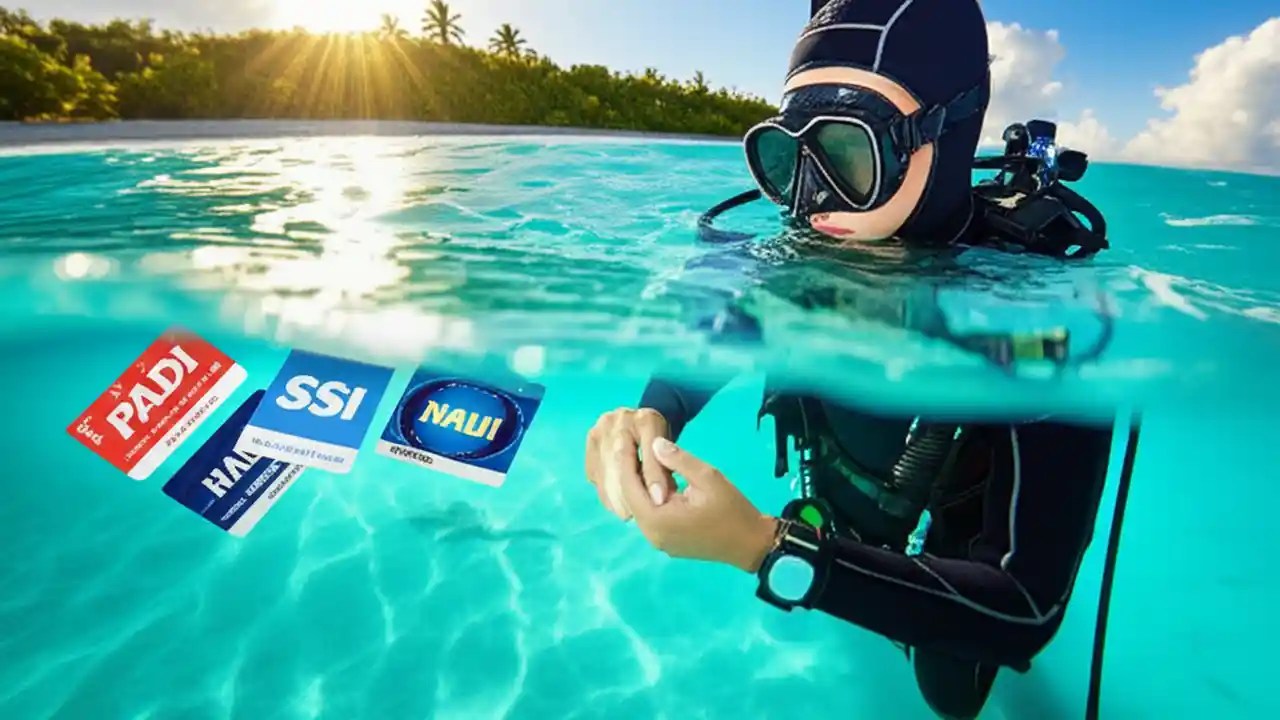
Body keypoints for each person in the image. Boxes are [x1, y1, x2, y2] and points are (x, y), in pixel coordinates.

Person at [583, 2, 1121, 719]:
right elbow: (722, 326)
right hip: (849, 490)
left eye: (848, 151)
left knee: (950, 693)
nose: (810, 201)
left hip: (953, 512)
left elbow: (1024, 609)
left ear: (946, 132)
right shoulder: (793, 250)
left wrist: (766, 549)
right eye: (787, 156)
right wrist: (656, 408)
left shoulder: (1043, 324)